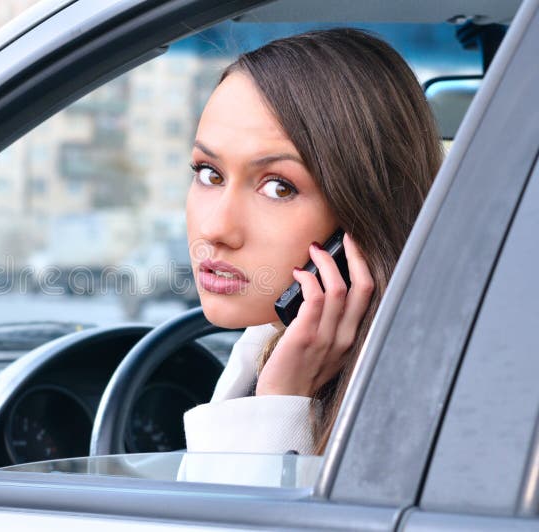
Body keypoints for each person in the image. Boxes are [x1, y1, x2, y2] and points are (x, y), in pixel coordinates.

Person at [181, 28, 444, 460]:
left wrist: (280, 404)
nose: (215, 229)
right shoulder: (268, 340)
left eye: (279, 187)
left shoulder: (424, 404)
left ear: (364, 214)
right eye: (209, 173)